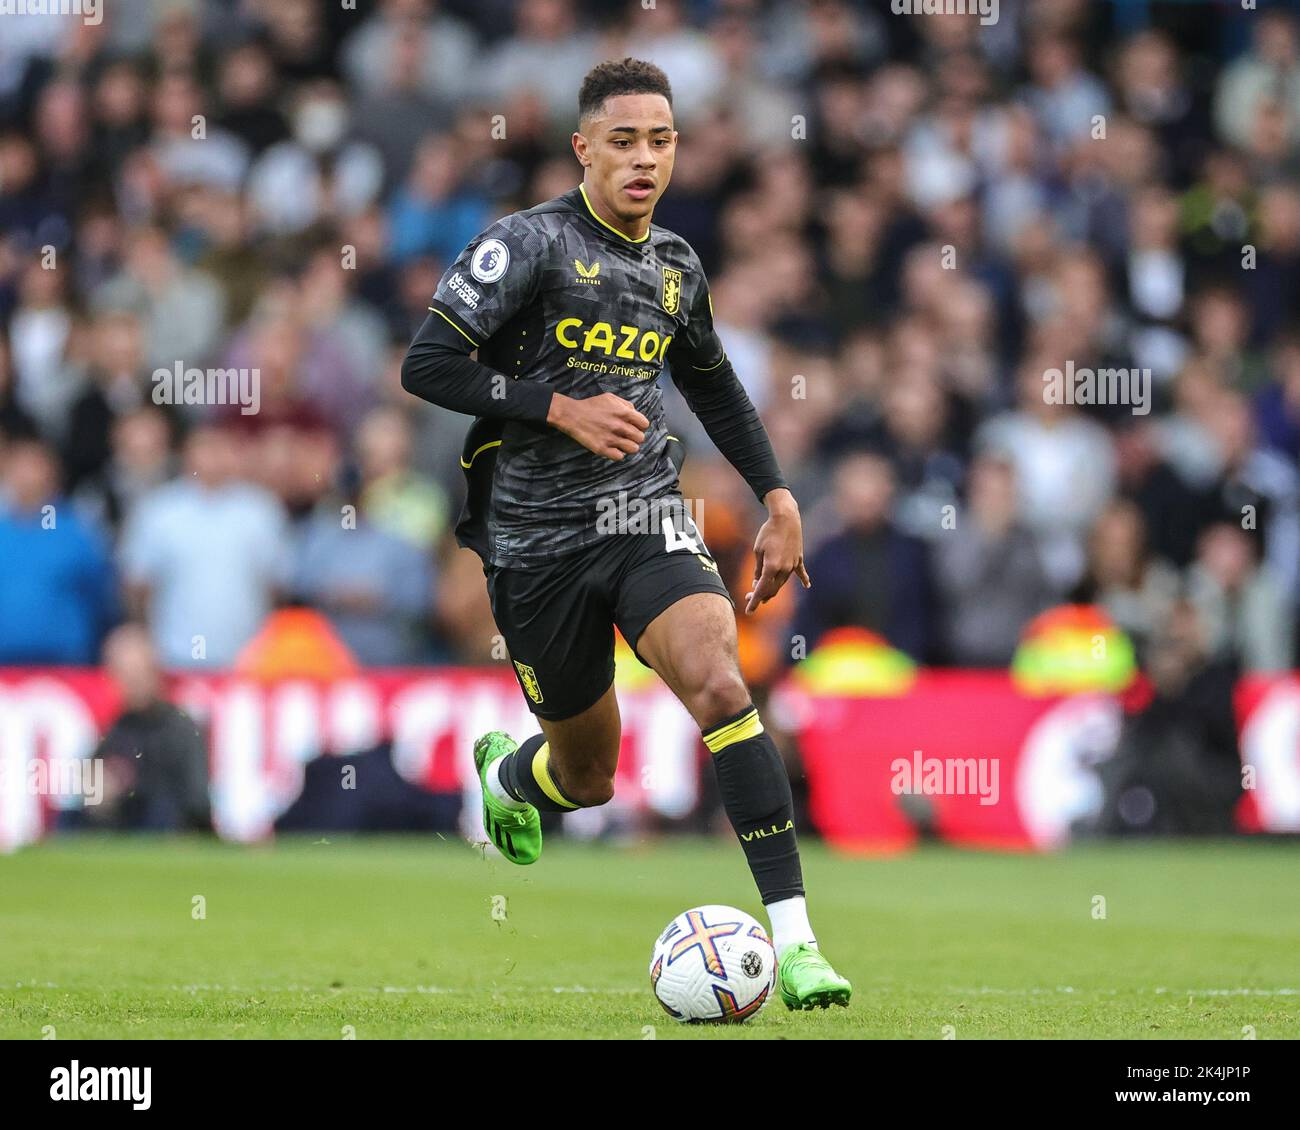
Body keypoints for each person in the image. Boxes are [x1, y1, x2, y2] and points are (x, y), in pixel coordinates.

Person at [400, 58, 850, 1010]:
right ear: (584, 149)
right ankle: (511, 775)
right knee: (589, 775)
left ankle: (801, 942)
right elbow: (428, 364)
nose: (645, 159)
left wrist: (776, 495)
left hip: (642, 513)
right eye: (624, 141)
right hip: (532, 545)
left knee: (721, 681)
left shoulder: (677, 266)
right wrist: (557, 407)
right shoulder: (525, 245)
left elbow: (715, 383)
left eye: (662, 140)